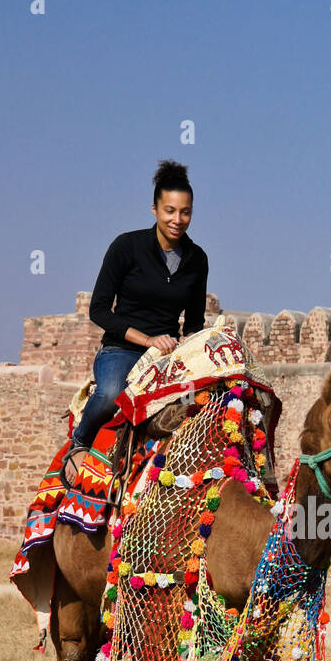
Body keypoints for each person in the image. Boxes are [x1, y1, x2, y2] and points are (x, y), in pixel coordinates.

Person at [61, 159, 209, 487]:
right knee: (113, 391)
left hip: (167, 356)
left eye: (185, 212)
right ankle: (80, 443)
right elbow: (99, 310)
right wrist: (148, 340)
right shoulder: (126, 247)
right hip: (122, 350)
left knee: (204, 406)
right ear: (154, 209)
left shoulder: (197, 260)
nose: (177, 219)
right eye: (169, 210)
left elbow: (195, 323)